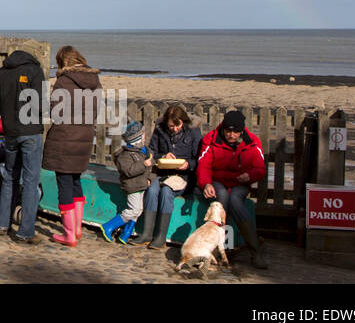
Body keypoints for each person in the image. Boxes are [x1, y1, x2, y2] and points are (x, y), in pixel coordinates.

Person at [41, 45, 102, 247]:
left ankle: (68, 234)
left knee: (65, 183)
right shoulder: (95, 81)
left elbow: (56, 113)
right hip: (84, 136)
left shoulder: (63, 81)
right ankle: (76, 229)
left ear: (62, 61)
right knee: (76, 180)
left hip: (65, 137)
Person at [196, 109, 269, 268]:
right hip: (217, 180)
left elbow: (260, 168)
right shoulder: (211, 139)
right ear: (223, 128)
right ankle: (216, 250)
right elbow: (203, 165)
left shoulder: (253, 142)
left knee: (235, 200)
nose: (231, 134)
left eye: (235, 131)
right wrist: (206, 183)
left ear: (241, 130)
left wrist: (249, 176)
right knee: (222, 198)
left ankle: (254, 251)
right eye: (228, 131)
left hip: (240, 183)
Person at [0, 49, 46, 244]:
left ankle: (2, 223)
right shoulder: (35, 71)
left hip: (10, 131)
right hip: (30, 130)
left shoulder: (0, 73)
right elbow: (41, 104)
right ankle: (25, 231)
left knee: (9, 176)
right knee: (31, 181)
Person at [134, 103, 200, 250]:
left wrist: (187, 164)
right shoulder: (159, 130)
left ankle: (161, 237)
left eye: (177, 126)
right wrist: (162, 156)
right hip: (162, 172)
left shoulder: (193, 132)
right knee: (152, 190)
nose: (175, 129)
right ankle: (146, 233)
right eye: (171, 126)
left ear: (183, 122)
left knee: (166, 192)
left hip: (184, 176)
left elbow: (198, 159)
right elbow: (152, 153)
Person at [101, 121, 151, 243]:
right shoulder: (125, 156)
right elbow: (129, 171)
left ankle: (125, 233)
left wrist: (149, 178)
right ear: (137, 138)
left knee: (138, 210)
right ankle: (109, 226)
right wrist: (143, 164)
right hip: (133, 186)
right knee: (133, 210)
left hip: (142, 185)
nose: (145, 137)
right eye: (143, 135)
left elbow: (151, 167)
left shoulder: (143, 151)